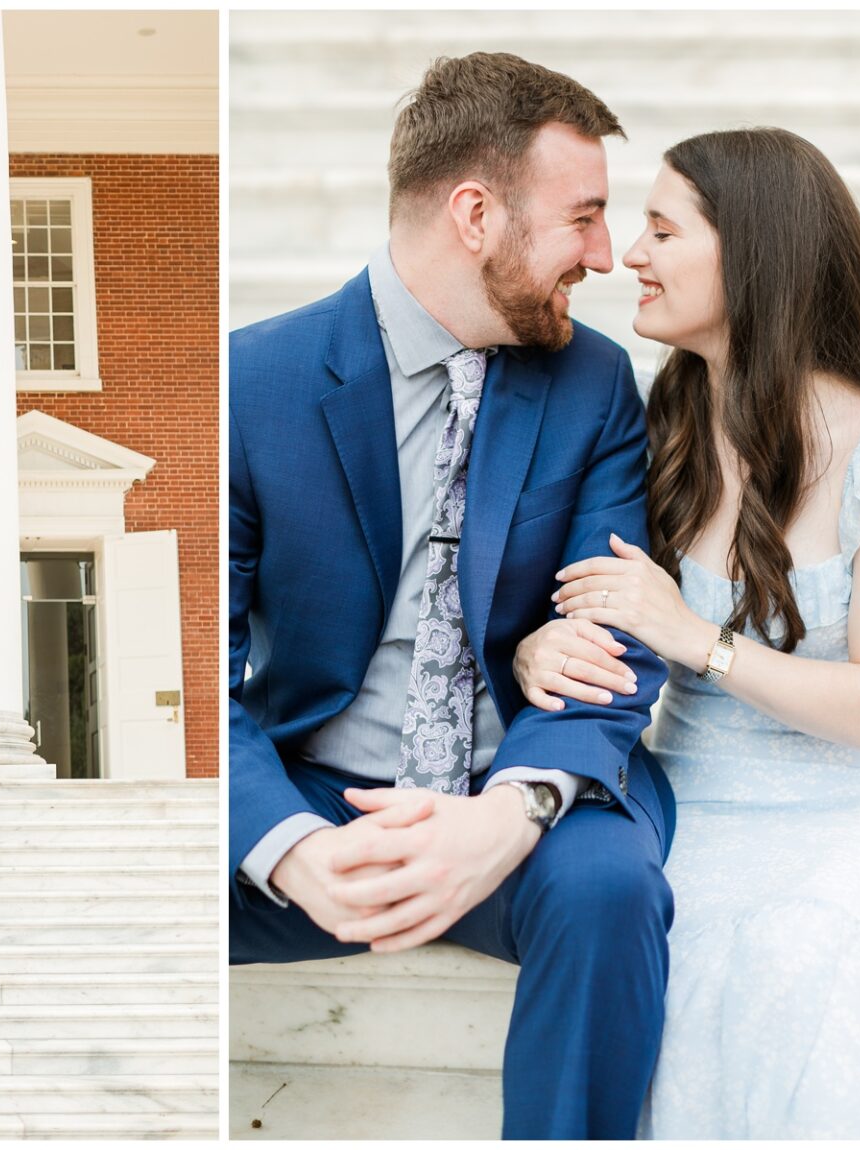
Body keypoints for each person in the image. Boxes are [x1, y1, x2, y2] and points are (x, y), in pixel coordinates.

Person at [229, 51, 676, 1139]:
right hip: (313, 792)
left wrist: (510, 813)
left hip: (513, 785)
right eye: (583, 218)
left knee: (610, 890)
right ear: (475, 215)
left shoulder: (595, 384)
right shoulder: (251, 384)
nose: (605, 255)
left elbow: (614, 629)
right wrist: (287, 845)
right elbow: (187, 658)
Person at [512, 127, 860, 1138]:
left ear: (755, 254)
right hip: (695, 804)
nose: (629, 255)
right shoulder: (657, 426)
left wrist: (699, 638)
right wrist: (532, 648)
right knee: (669, 963)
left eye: (662, 230)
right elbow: (568, 598)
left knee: (804, 954)